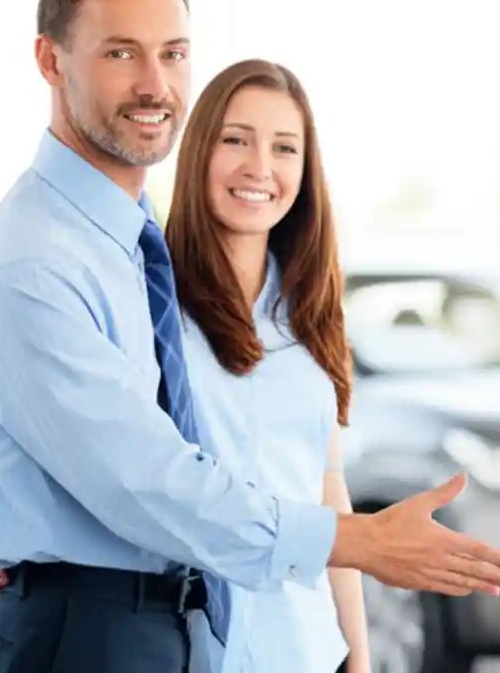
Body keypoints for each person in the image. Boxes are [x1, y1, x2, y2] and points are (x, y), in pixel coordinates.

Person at [0, 0, 500, 671]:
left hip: (174, 627)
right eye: (120, 52)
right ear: (50, 61)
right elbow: (147, 479)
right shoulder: (36, 263)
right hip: (97, 630)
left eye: (173, 54)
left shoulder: (127, 249)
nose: (154, 84)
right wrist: (358, 541)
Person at [165, 59, 369, 672]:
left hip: (304, 651)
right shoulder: (149, 303)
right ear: (200, 150)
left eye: (285, 148)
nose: (260, 168)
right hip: (190, 649)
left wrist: (359, 660)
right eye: (236, 140)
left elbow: (329, 495)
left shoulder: (309, 313)